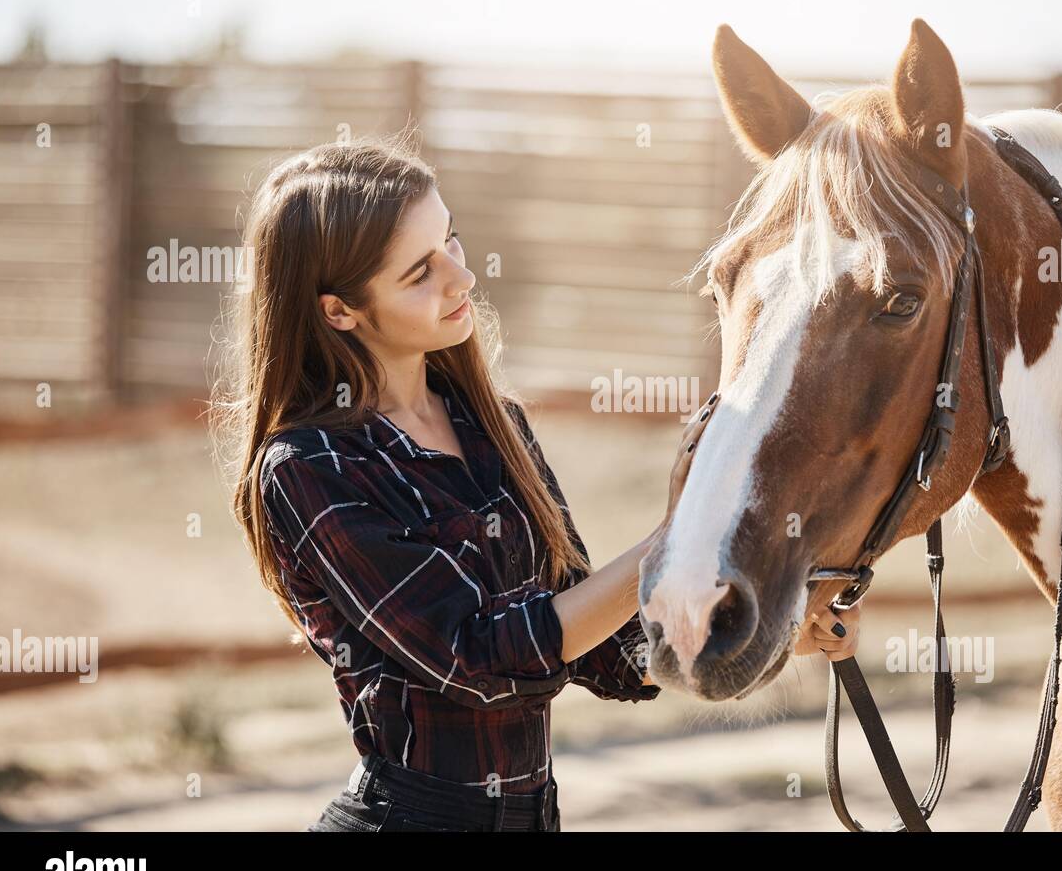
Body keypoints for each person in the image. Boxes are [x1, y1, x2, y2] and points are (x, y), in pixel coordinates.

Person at [210, 137, 856, 831]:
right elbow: (481, 661)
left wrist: (763, 628)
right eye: (420, 273)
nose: (461, 279)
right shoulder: (311, 468)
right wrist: (674, 533)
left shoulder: (493, 425)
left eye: (451, 241)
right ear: (340, 311)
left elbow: (605, 652)